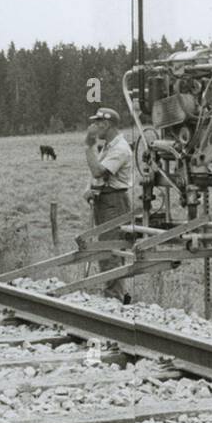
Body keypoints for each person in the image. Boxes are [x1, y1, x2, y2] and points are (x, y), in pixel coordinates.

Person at [83, 107, 134, 302]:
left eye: (97, 123)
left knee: (110, 249)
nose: (94, 127)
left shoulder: (119, 148)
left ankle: (114, 297)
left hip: (114, 202)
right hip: (106, 200)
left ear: (106, 124)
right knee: (108, 248)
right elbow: (99, 176)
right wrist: (91, 189)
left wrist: (88, 147)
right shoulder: (109, 146)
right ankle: (117, 293)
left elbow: (98, 171)